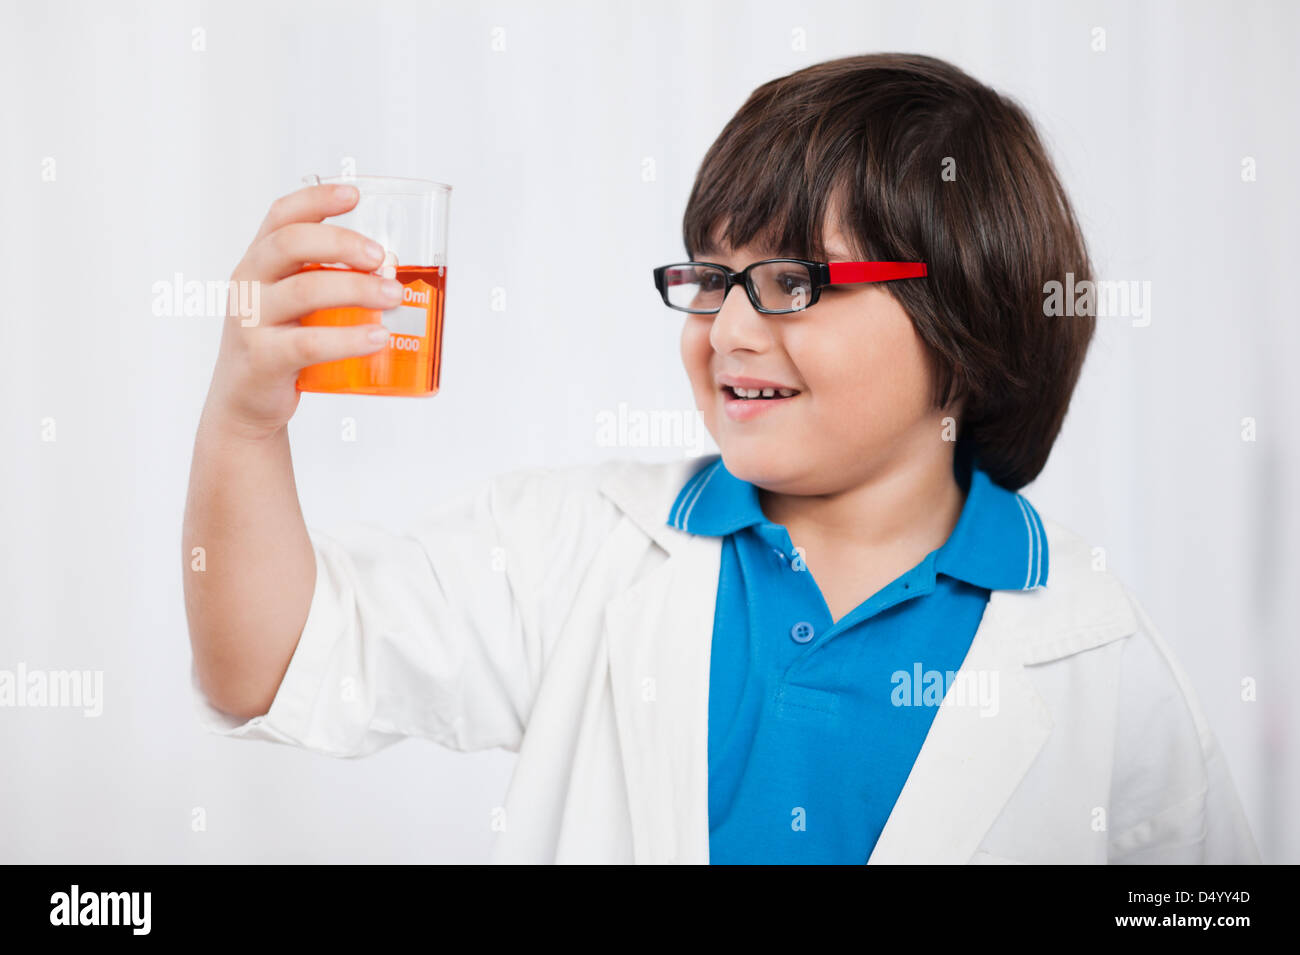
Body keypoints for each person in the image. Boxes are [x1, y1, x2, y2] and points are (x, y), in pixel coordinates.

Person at [184, 52, 1260, 864]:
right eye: (710, 277)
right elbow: (269, 661)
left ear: (965, 317)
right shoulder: (577, 551)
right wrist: (245, 419)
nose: (731, 330)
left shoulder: (1094, 652)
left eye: (794, 281)